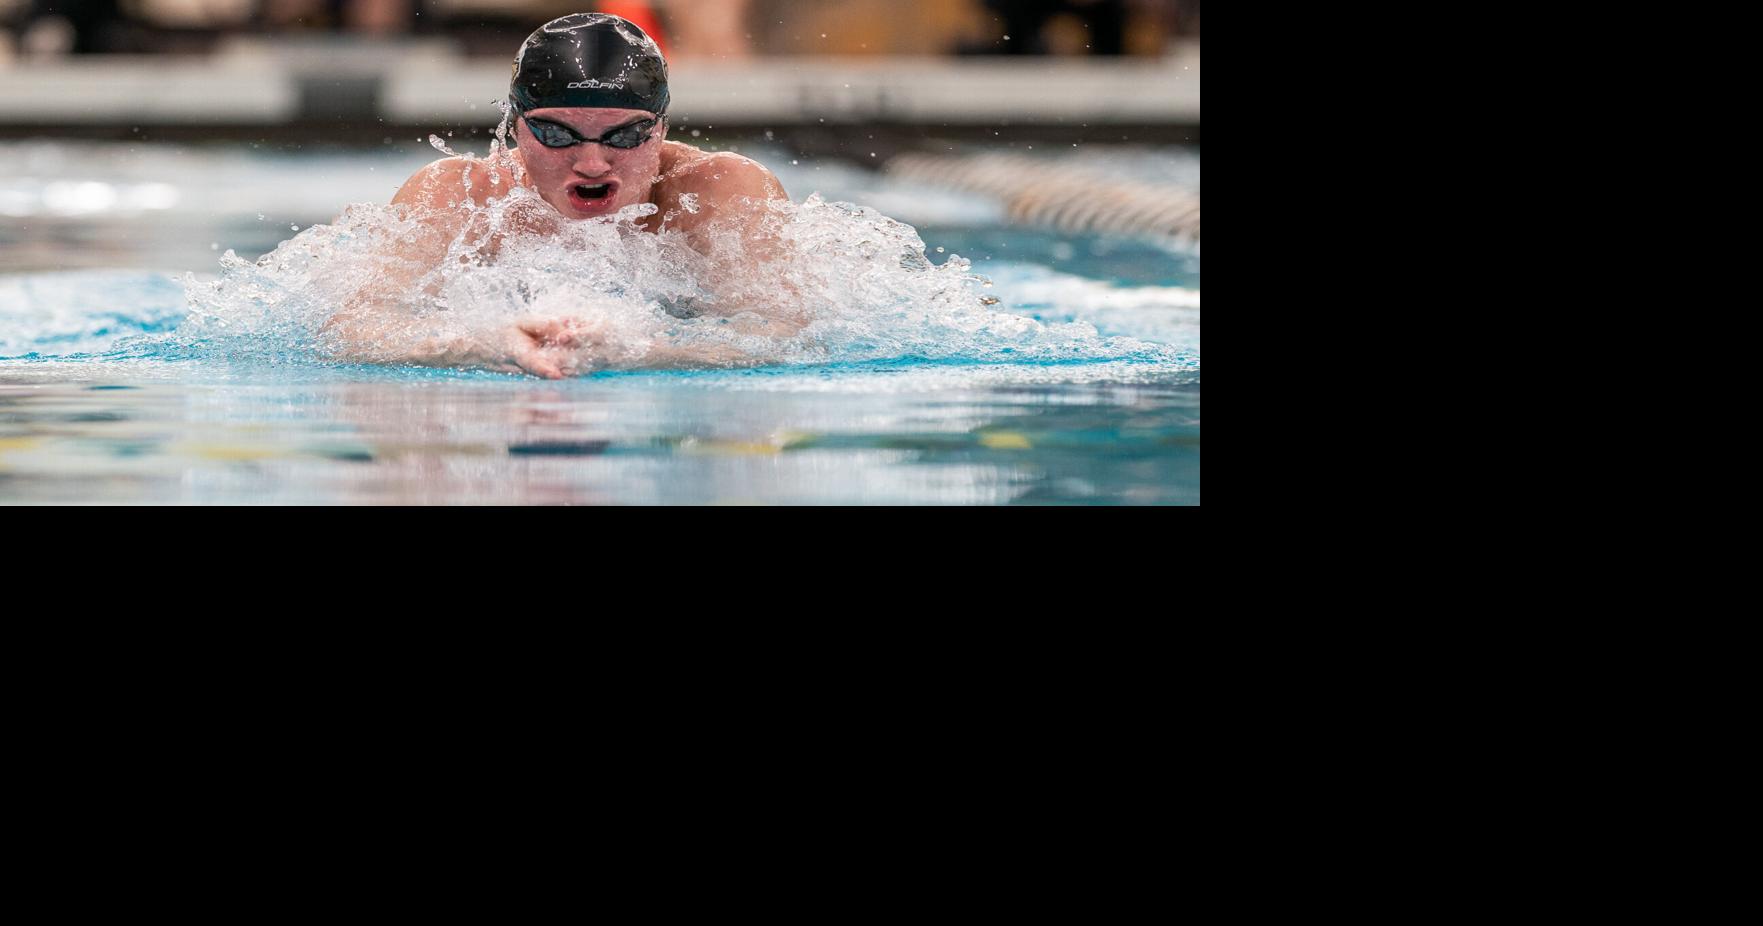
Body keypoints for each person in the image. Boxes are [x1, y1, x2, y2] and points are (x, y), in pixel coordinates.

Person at [323, 12, 791, 378]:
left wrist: (639, 351)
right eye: (558, 134)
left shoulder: (722, 191)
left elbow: (784, 333)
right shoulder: (459, 195)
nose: (592, 163)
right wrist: (484, 343)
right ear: (516, 128)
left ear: (662, 128)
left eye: (625, 137)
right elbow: (356, 326)